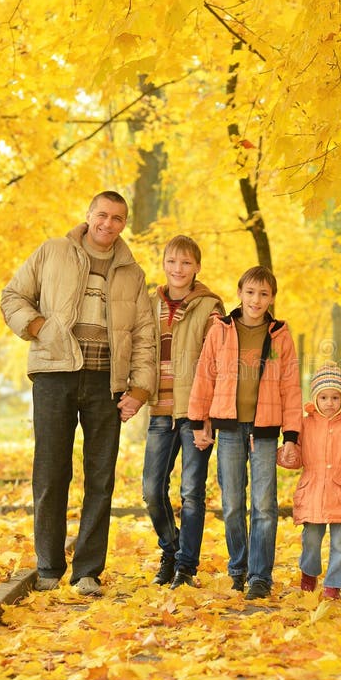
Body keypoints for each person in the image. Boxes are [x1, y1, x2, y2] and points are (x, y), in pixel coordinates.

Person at [0, 191, 156, 597]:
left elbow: (144, 335)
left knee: (101, 477)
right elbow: (13, 296)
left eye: (117, 218)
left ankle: (88, 570)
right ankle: (49, 565)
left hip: (107, 382)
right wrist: (37, 328)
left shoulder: (132, 272)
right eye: (102, 215)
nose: (108, 223)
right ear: (88, 215)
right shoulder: (53, 251)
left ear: (125, 223)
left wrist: (139, 388)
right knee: (51, 472)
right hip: (55, 374)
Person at [189, 266, 302, 600]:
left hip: (265, 430)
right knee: (233, 502)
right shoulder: (221, 330)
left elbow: (291, 385)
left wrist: (292, 434)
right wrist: (198, 420)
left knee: (265, 505)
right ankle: (238, 569)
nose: (256, 300)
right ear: (239, 293)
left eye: (264, 294)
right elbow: (204, 376)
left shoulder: (280, 335)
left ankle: (260, 576)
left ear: (272, 299)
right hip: (228, 428)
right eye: (251, 292)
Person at [142, 235, 225, 589]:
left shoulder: (211, 307)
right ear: (164, 264)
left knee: (192, 490)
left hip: (195, 412)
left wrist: (207, 416)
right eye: (173, 261)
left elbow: (220, 363)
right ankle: (170, 549)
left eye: (186, 263)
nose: (179, 269)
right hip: (160, 409)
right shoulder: (149, 305)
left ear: (197, 268)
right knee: (151, 489)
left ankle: (185, 567)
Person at [278, 362, 341, 600]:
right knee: (311, 539)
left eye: (335, 397)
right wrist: (284, 455)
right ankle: (309, 572)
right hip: (313, 492)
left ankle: (334, 583)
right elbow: (297, 457)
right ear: (316, 398)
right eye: (324, 397)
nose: (330, 402)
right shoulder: (305, 424)